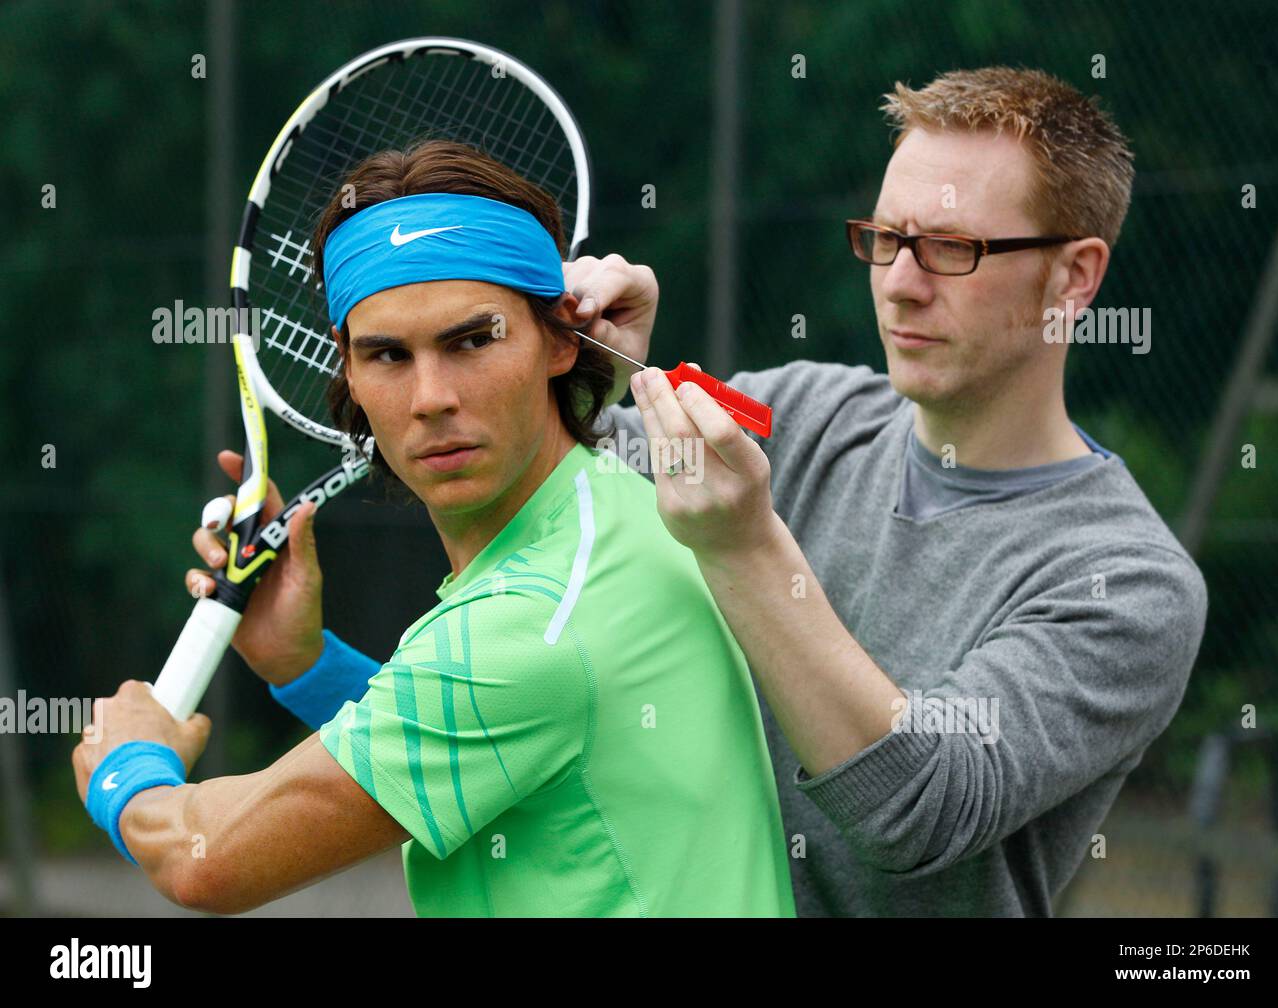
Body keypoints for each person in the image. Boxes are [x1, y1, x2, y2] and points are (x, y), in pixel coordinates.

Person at [72, 140, 795, 918]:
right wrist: (307, 664)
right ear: (348, 372)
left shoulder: (528, 628)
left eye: (471, 340)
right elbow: (483, 743)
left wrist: (128, 769)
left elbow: (205, 864)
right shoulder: (619, 509)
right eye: (387, 355)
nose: (430, 397)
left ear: (559, 340)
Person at [580, 67, 1208, 916]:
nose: (900, 283)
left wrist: (745, 547)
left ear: (1073, 279)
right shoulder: (797, 412)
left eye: (954, 249)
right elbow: (551, 488)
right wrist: (587, 376)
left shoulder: (1130, 582)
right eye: (886, 237)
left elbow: (917, 807)